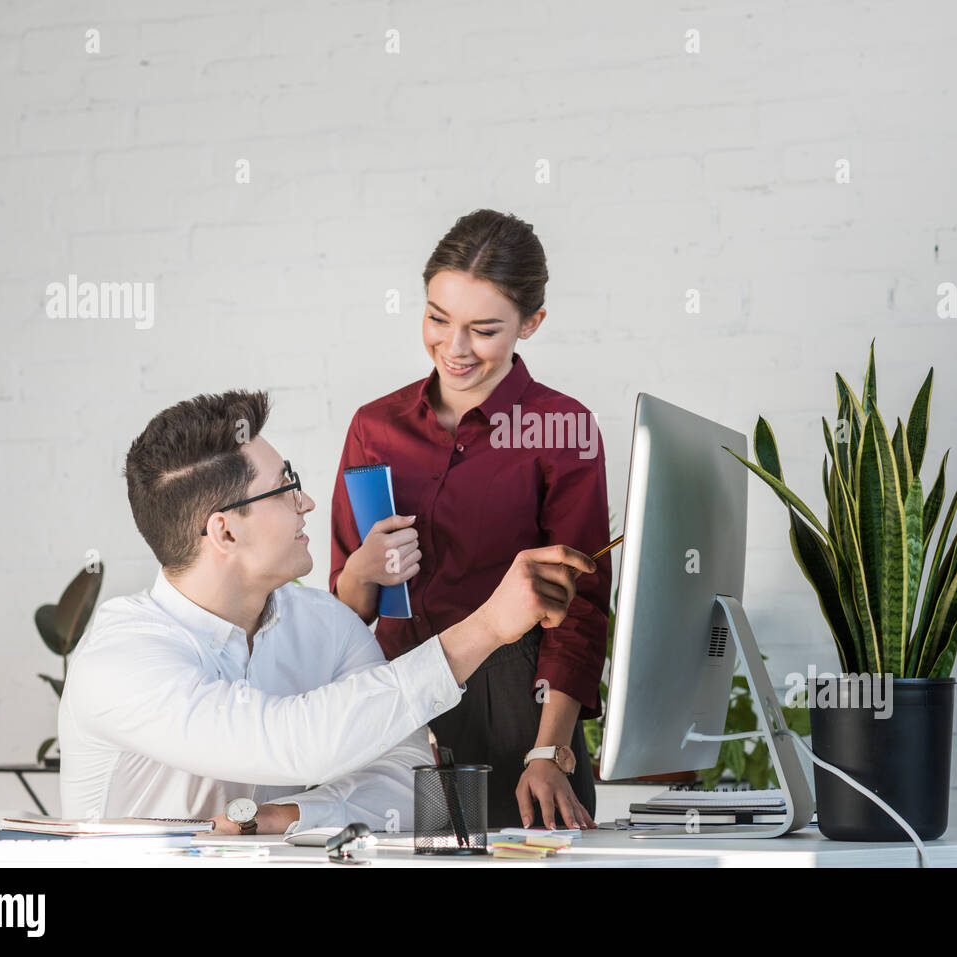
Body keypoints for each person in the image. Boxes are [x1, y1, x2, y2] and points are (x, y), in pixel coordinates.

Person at [58, 389, 595, 835]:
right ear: (225, 530)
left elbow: (404, 774)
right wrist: (488, 627)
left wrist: (294, 815)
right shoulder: (121, 657)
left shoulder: (327, 626)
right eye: (285, 487)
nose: (307, 502)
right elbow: (294, 740)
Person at [330, 209, 612, 830]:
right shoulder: (373, 428)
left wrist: (549, 752)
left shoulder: (561, 431)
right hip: (398, 707)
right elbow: (345, 614)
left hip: (523, 711)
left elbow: (581, 608)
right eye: (437, 318)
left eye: (483, 330)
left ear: (531, 323)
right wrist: (361, 569)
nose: (453, 349)